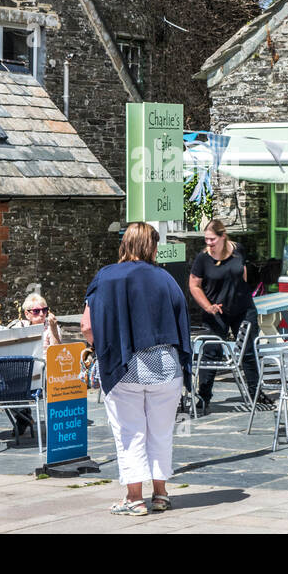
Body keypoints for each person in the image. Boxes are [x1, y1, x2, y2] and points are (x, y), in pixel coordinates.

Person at [82, 223, 192, 517]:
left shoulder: (106, 277)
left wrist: (101, 345)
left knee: (130, 433)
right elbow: (183, 324)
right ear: (151, 247)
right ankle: (160, 494)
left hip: (124, 367)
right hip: (166, 368)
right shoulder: (166, 278)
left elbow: (87, 327)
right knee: (161, 432)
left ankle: (134, 498)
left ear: (125, 245)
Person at [188, 218, 261, 411]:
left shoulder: (238, 250)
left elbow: (242, 273)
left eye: (212, 239)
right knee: (212, 352)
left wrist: (237, 293)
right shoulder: (203, 258)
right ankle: (204, 397)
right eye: (206, 239)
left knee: (248, 350)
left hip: (243, 308)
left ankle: (256, 395)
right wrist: (208, 306)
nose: (209, 243)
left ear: (223, 236)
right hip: (215, 311)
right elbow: (194, 285)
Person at [2, 292, 62, 436]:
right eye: (36, 311)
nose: (41, 314)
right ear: (27, 314)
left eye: (44, 310)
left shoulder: (51, 327)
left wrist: (53, 329)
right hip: (21, 372)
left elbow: (58, 352)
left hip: (44, 373)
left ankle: (23, 415)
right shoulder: (18, 326)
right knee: (0, 383)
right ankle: (22, 415)